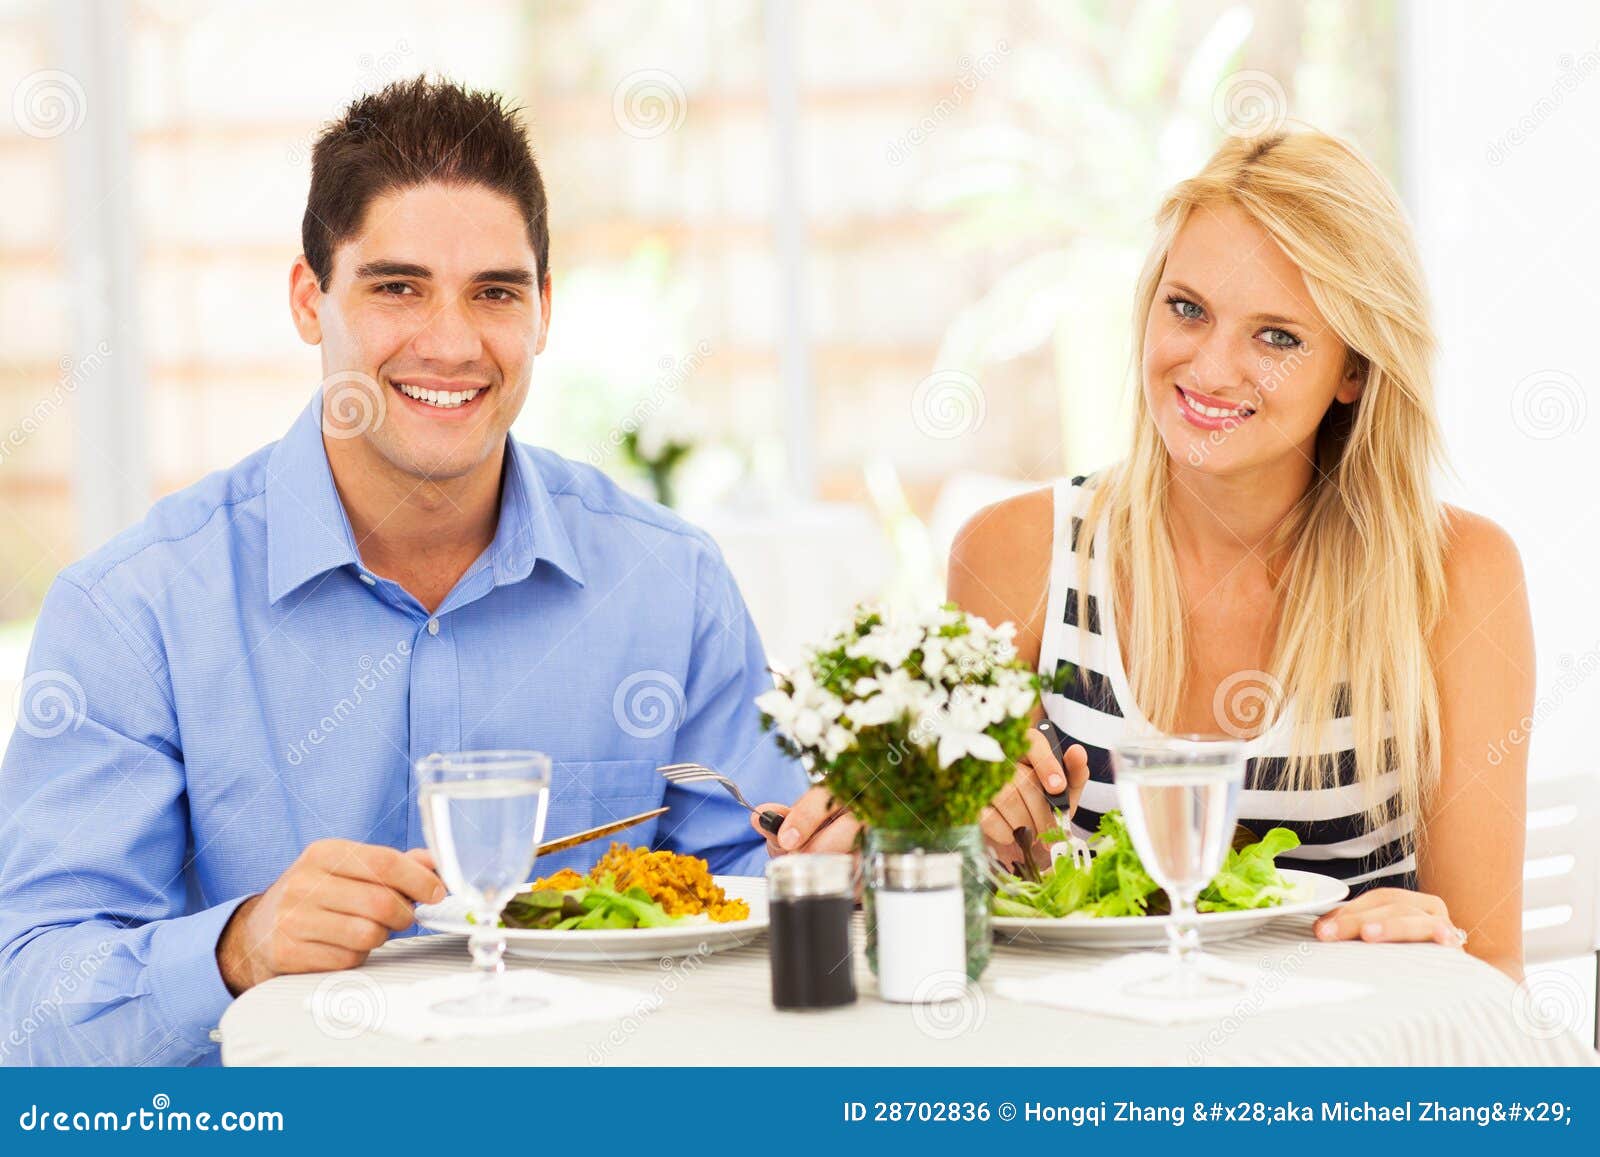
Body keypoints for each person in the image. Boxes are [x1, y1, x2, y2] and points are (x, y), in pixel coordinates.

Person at [0, 77, 806, 1067]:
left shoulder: (669, 584)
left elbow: (766, 889)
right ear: (310, 298)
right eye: (397, 286)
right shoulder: (134, 612)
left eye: (495, 293)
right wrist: (236, 943)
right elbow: (29, 1003)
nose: (453, 343)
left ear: (544, 312)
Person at [946, 130, 1532, 978]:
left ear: (1355, 371)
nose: (1212, 368)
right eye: (1187, 308)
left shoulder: (1455, 576)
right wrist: (957, 819)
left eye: (1278, 337)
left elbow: (1495, 976)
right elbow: (942, 897)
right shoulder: (1016, 551)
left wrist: (1432, 946)